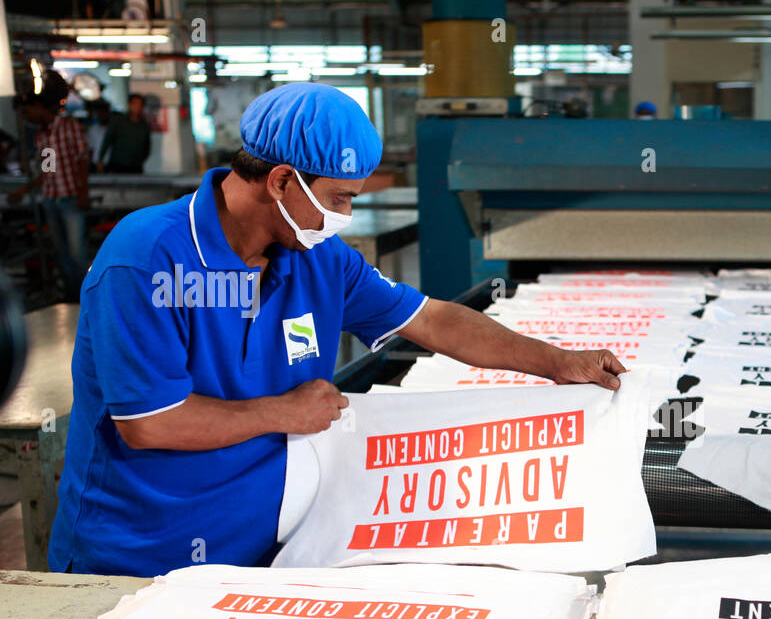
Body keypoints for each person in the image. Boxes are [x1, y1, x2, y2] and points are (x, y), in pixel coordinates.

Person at [49, 83, 626, 577]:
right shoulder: (148, 257)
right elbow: (150, 424)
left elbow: (431, 319)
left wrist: (555, 362)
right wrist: (284, 412)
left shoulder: (316, 258)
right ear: (280, 181)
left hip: (268, 553)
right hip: (137, 561)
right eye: (339, 198)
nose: (344, 216)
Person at [7, 76, 91, 298]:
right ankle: (71, 295)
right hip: (51, 199)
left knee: (76, 251)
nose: (27, 118)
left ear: (37, 107)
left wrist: (83, 191)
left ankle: (86, 297)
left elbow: (82, 159)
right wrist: (25, 190)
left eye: (27, 112)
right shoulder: (42, 136)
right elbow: (48, 170)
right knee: (62, 252)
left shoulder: (68, 127)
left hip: (70, 198)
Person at [100, 92, 151, 173]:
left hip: (135, 166)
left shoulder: (144, 126)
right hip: (117, 165)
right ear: (129, 105)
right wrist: (100, 160)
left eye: (140, 105)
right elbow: (107, 140)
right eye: (135, 104)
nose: (137, 107)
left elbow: (147, 147)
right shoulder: (118, 121)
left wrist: (140, 159)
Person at [84, 98, 112, 171]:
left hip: (111, 165)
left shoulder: (114, 129)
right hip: (95, 165)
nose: (102, 114)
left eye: (105, 111)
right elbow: (90, 149)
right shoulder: (93, 129)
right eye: (100, 112)